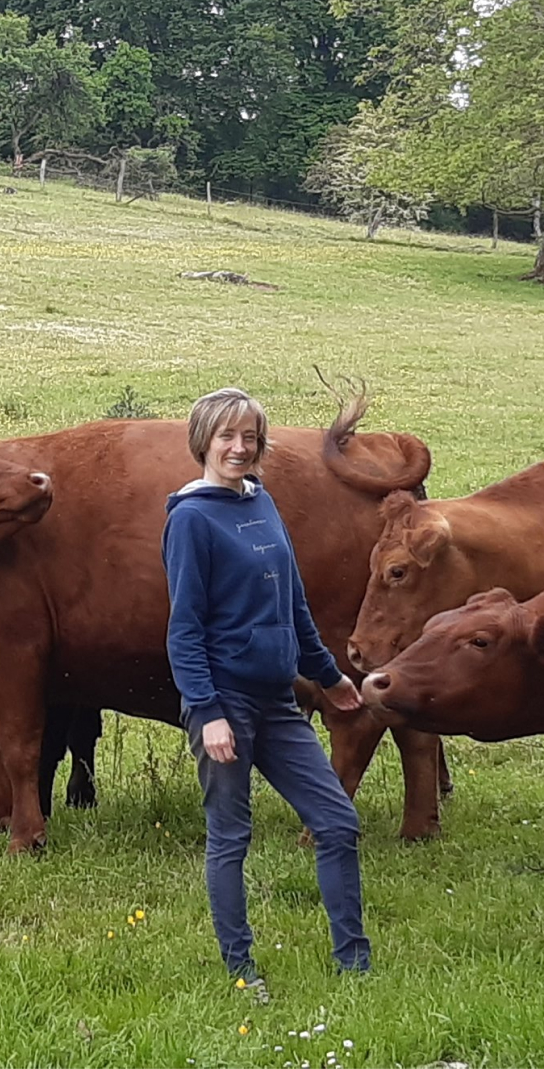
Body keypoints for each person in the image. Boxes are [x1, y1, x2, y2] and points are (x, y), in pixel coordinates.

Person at [162, 386, 372, 993]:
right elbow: (184, 629)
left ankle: (354, 962)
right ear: (203, 441)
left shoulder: (261, 502)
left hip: (279, 702)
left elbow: (294, 603)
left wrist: (330, 678)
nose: (239, 447)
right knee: (231, 836)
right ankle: (240, 967)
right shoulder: (191, 518)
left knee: (336, 822)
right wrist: (208, 713)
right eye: (227, 436)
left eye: (249, 437)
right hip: (224, 703)